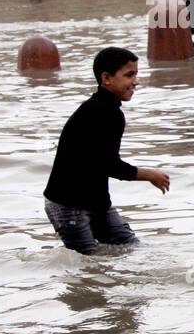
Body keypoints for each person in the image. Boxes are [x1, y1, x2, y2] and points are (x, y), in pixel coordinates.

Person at [43, 47, 170, 254]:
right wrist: (150, 175)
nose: (136, 81)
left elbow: (99, 166)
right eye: (129, 75)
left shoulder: (108, 110)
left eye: (136, 74)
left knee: (130, 250)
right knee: (87, 262)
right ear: (107, 78)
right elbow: (109, 165)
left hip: (96, 201)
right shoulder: (99, 112)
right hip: (68, 204)